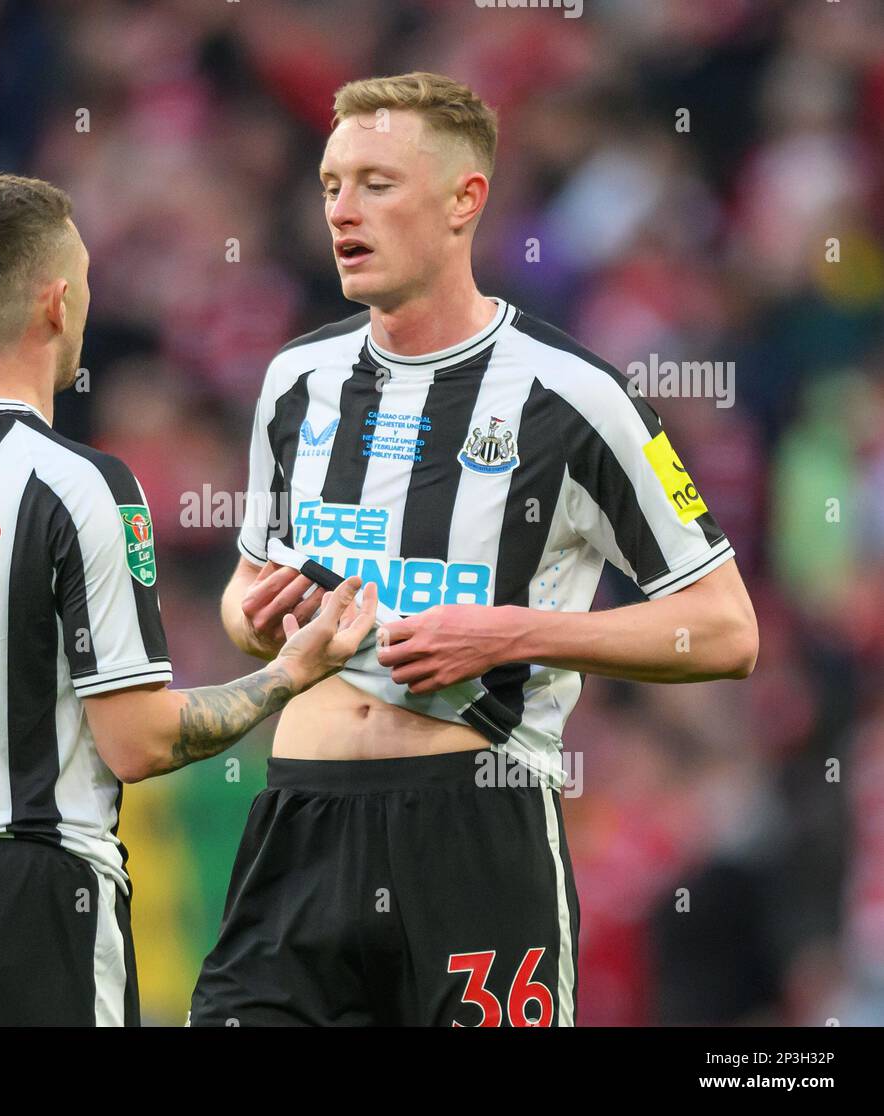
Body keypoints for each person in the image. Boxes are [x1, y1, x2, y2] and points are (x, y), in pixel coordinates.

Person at [189, 73, 758, 1027]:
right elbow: (248, 586)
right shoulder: (296, 381)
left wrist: (506, 635)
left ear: (465, 200)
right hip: (299, 825)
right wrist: (251, 618)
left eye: (376, 182)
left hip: (474, 825)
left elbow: (727, 630)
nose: (340, 210)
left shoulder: (574, 395)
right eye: (330, 184)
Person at [0, 173, 376, 1026]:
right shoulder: (81, 485)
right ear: (57, 303)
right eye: (85, 280)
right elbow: (135, 741)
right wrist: (287, 675)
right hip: (26, 896)